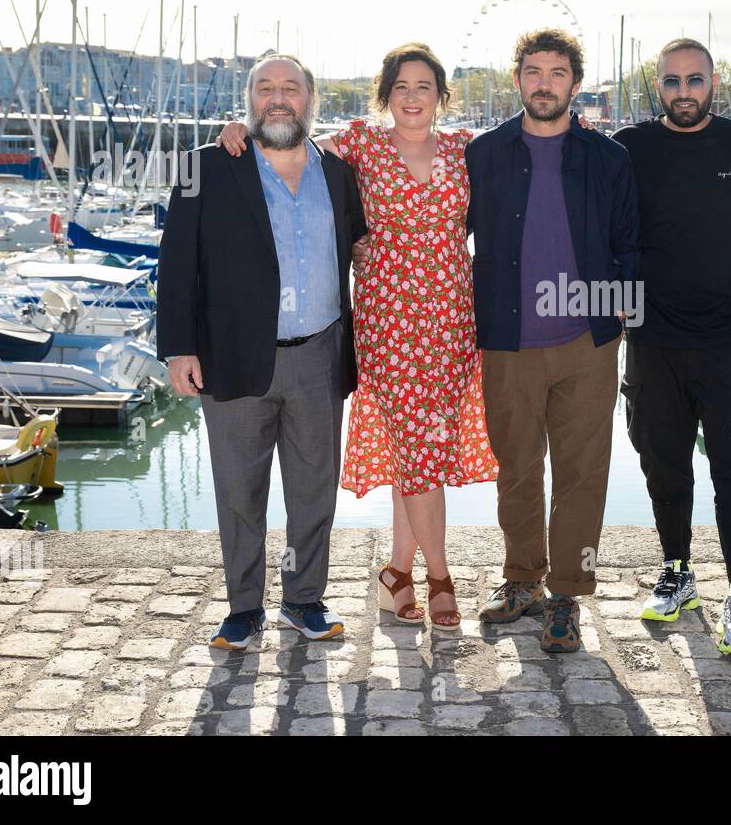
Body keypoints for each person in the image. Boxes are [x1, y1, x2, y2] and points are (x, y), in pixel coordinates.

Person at [216, 43, 497, 632]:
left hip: (451, 321)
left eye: (424, 87)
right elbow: (284, 141)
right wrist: (236, 129)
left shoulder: (465, 149)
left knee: (416, 446)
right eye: (401, 87)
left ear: (441, 96)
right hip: (389, 321)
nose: (412, 97)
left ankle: (396, 572)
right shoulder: (360, 146)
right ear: (385, 95)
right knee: (420, 448)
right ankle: (439, 577)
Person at [158, 54, 367, 649]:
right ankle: (244, 606)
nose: (279, 99)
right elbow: (176, 267)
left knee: (313, 489)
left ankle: (304, 600)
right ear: (248, 101)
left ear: (311, 99)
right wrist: (178, 349)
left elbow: (359, 247)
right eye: (266, 88)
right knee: (239, 490)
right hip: (232, 356)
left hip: (319, 356)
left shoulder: (338, 174)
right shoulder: (206, 167)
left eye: (291, 88)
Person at [465, 28, 639, 654]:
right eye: (533, 71)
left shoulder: (608, 158)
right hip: (507, 337)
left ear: (574, 82)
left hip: (587, 339)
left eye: (557, 72)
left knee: (582, 472)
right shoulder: (481, 154)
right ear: (517, 80)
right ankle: (521, 581)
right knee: (515, 468)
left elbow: (628, 244)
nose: (544, 83)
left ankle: (566, 591)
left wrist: (620, 312)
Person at [613, 38, 731, 657]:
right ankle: (678, 570)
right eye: (671, 81)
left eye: (694, 80)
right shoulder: (629, 148)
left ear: (713, 83)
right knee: (663, 464)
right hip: (652, 341)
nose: (683, 91)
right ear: (656, 86)